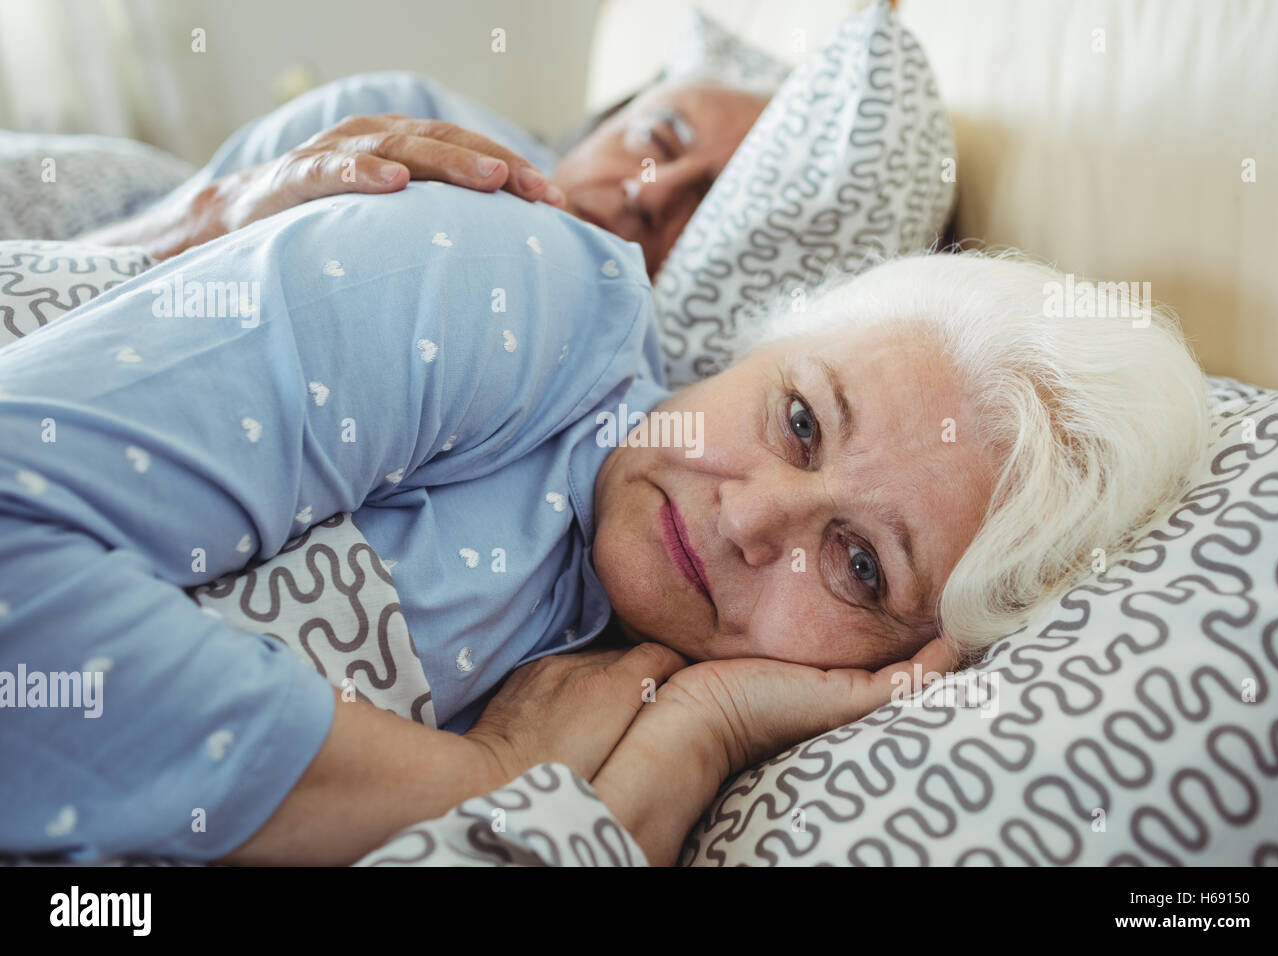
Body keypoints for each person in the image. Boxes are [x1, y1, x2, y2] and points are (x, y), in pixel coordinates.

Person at [0, 75, 1211, 869]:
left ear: (899, 659)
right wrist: (474, 780)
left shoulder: (629, 682)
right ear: (756, 345)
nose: (752, 517)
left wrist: (692, 742)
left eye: (855, 564)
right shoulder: (515, 278)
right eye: (797, 418)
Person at [79, 70, 773, 280]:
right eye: (653, 140)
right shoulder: (386, 116)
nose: (652, 191)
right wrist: (220, 213)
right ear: (599, 121)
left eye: (714, 208)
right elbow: (66, 278)